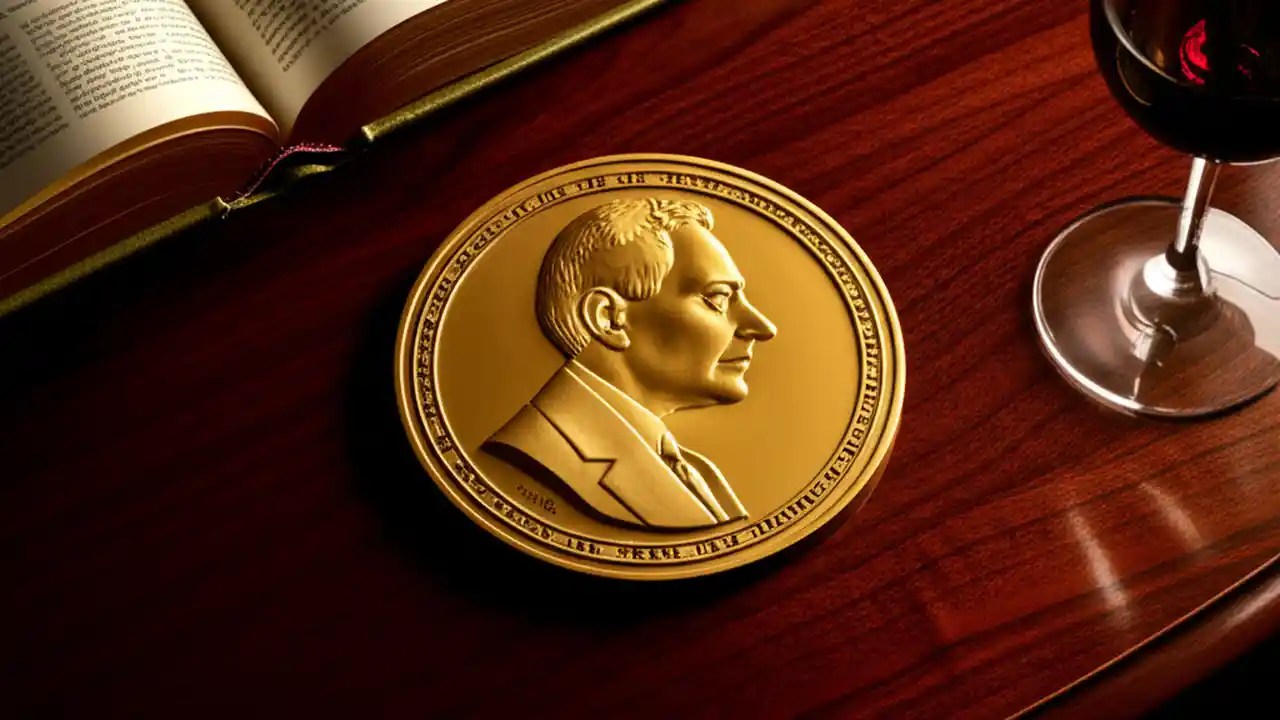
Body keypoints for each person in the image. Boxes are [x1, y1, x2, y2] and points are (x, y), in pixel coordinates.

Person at [485, 197, 777, 529]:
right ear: (608, 319)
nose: (763, 327)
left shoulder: (699, 471)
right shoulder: (533, 455)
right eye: (718, 297)